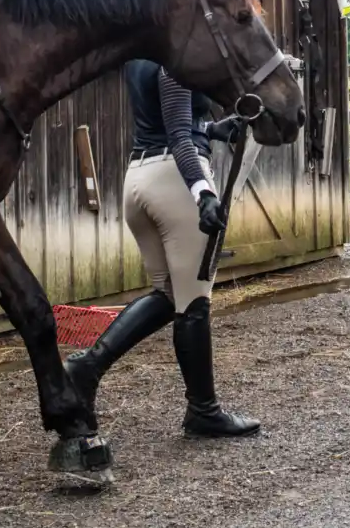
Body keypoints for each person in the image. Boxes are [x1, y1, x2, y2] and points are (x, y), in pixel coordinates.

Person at [64, 59, 260, 437]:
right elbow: (179, 138)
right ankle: (204, 411)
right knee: (194, 301)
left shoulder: (139, 58)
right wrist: (202, 191)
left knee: (168, 295)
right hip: (176, 181)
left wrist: (214, 130)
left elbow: (175, 122)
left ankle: (89, 367)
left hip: (138, 180)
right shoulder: (175, 62)